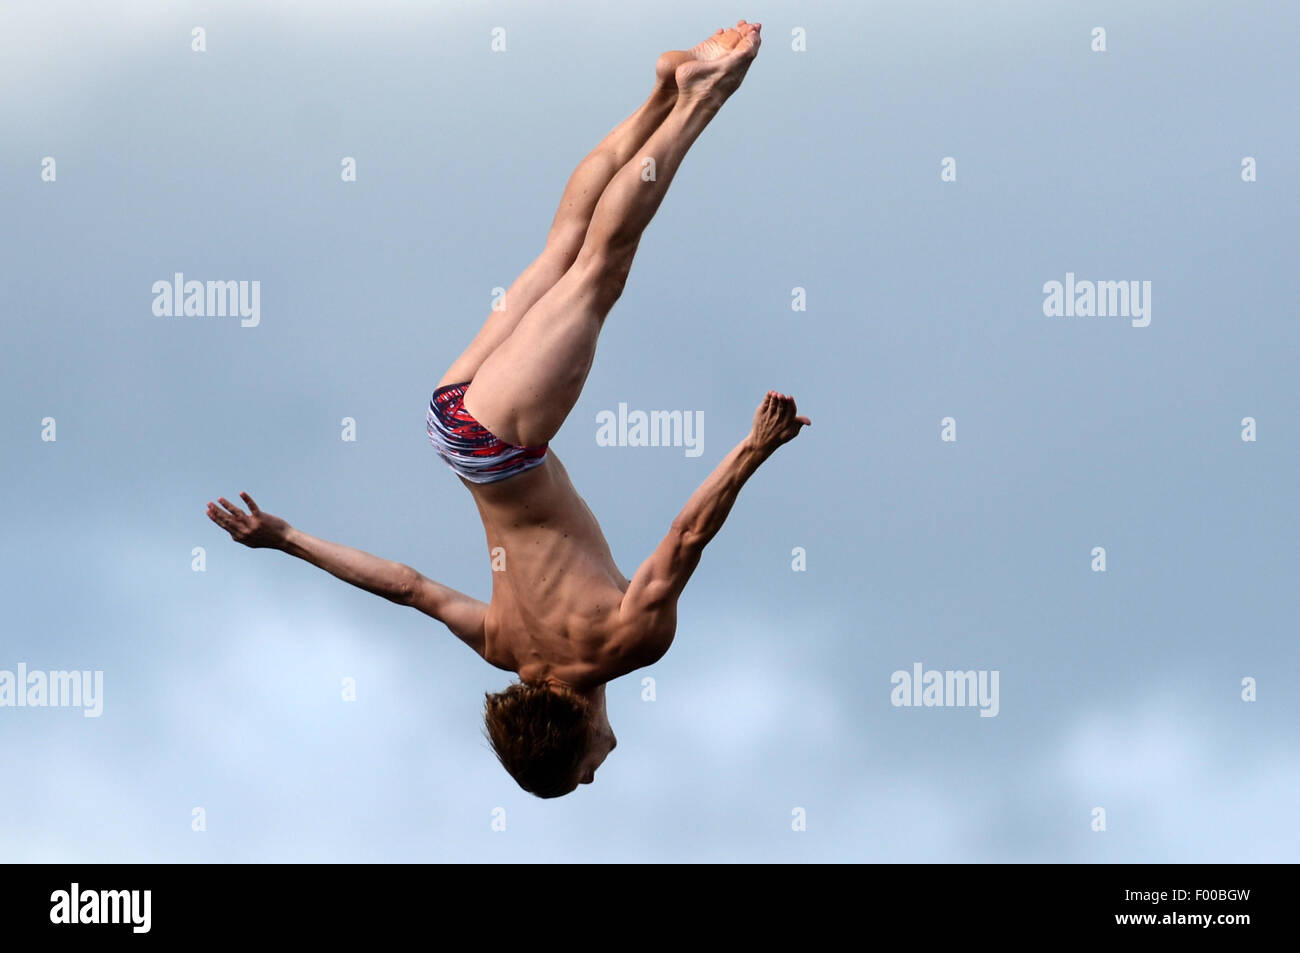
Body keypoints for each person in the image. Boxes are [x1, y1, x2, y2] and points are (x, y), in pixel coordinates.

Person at [206, 20, 810, 798]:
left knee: (598, 267)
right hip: (454, 427)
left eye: (582, 773)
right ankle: (661, 90)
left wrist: (753, 450)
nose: (597, 774)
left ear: (577, 736)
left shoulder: (625, 643)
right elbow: (406, 586)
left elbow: (686, 534)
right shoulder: (502, 649)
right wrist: (285, 538)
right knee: (562, 249)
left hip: (504, 441)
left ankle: (696, 100)